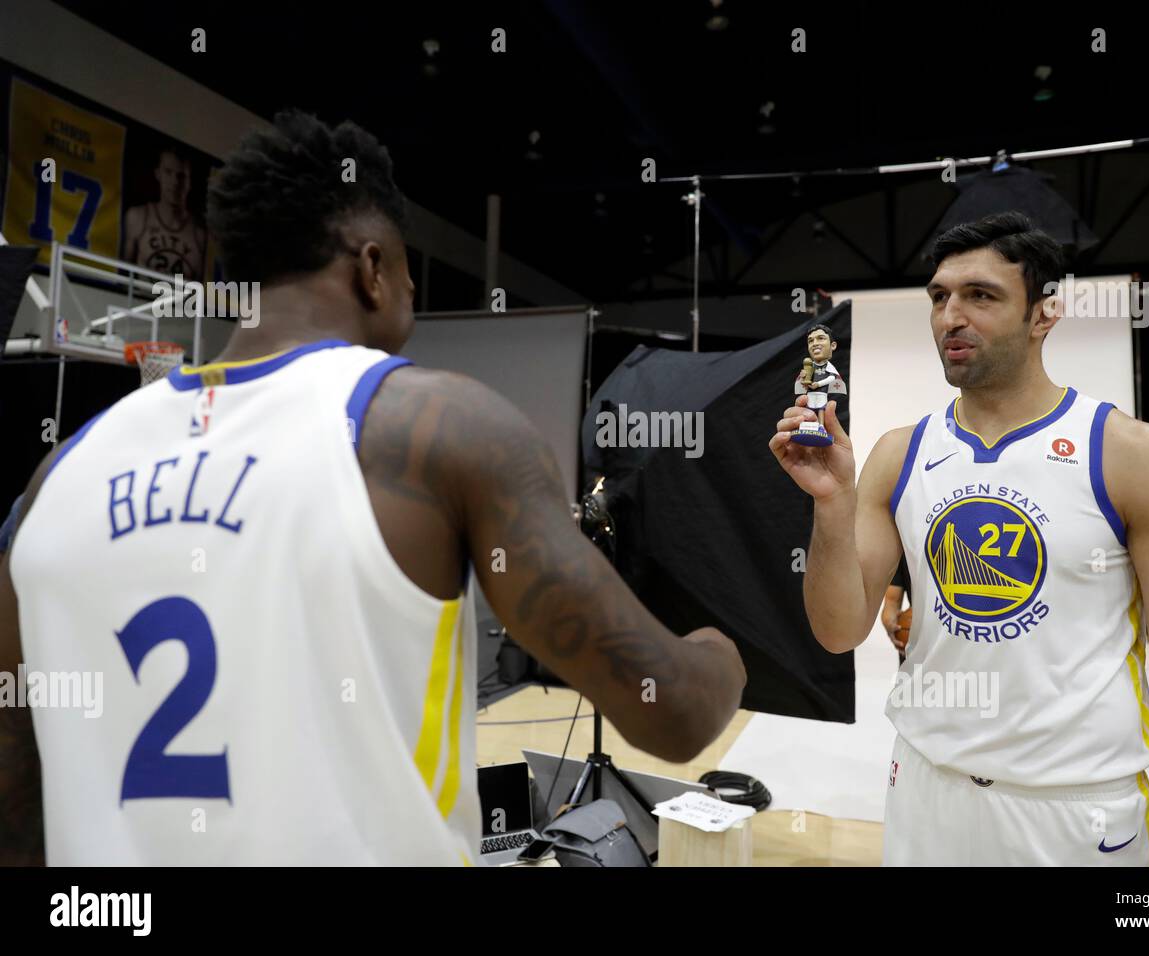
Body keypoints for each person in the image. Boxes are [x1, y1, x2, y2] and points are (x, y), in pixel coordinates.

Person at [0, 110, 746, 866]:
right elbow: (672, 714)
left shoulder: (58, 476)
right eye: (407, 266)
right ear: (372, 267)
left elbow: (16, 785)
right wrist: (725, 646)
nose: (414, 286)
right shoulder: (442, 429)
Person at [770, 211, 1149, 866]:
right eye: (939, 297)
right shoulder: (899, 455)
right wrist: (832, 504)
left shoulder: (1133, 455)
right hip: (927, 789)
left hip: (1077, 809)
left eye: (981, 296)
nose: (950, 316)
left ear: (1044, 314)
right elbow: (838, 629)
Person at [121, 145, 208, 279]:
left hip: (181, 300)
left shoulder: (200, 234)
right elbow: (122, 277)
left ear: (190, 182)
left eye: (182, 176)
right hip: (142, 299)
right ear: (158, 174)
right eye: (168, 172)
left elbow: (200, 291)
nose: (175, 182)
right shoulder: (138, 217)